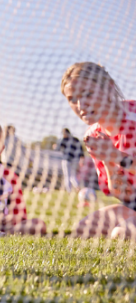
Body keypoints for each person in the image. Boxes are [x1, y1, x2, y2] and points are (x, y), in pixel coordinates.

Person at [61, 62, 136, 239]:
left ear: (109, 88)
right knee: (83, 228)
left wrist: (116, 156)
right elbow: (123, 194)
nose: (80, 105)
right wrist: (107, 161)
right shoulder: (93, 135)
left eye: (87, 94)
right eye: (72, 99)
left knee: (121, 233)